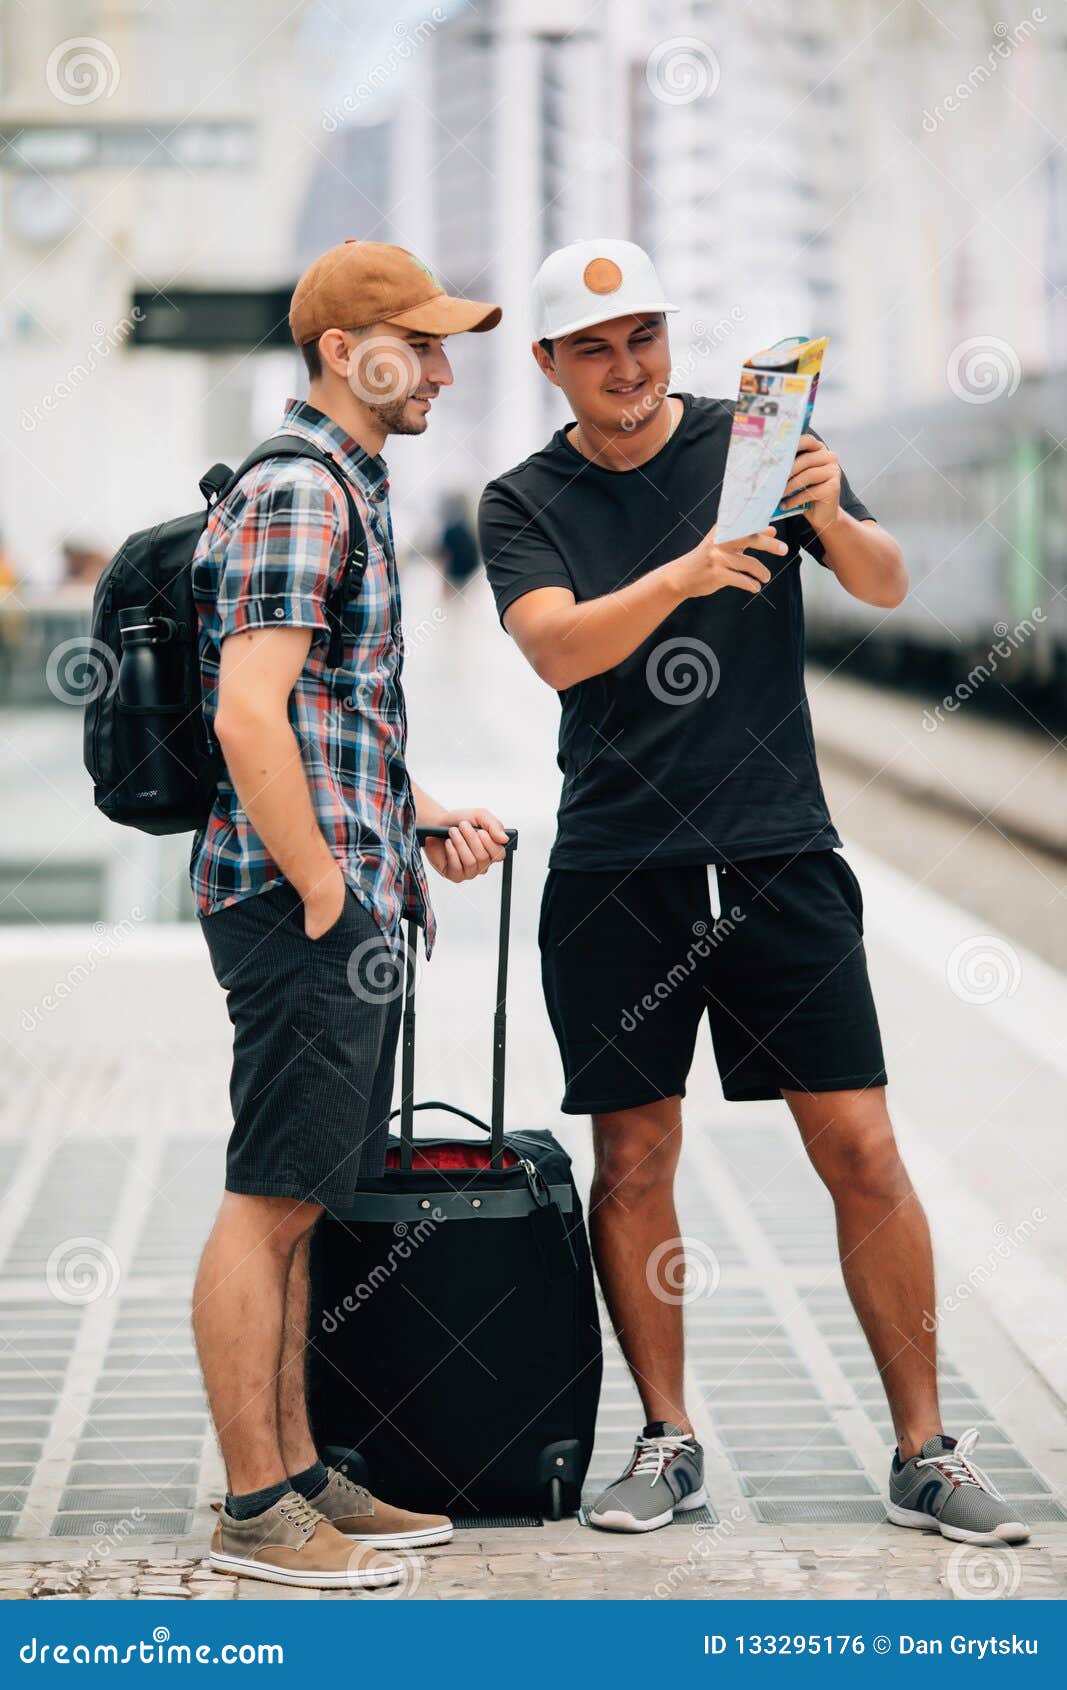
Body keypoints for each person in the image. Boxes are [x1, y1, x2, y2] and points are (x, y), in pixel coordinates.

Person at [478, 238, 1029, 1548]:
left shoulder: (756, 438)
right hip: (618, 863)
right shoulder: (522, 499)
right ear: (551, 364)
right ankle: (667, 1440)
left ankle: (926, 1448)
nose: (629, 366)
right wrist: (677, 578)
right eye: (598, 347)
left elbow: (892, 580)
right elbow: (557, 647)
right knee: (636, 1155)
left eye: (647, 337)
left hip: (779, 850)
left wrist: (830, 514)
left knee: (862, 1148)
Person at [191, 241, 509, 1589]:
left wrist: (414, 814)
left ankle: (302, 1472)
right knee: (266, 1206)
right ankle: (259, 1508)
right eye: (418, 342)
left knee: (302, 1203)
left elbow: (327, 717)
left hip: (342, 898)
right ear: (342, 349)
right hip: (300, 910)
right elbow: (246, 712)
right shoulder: (301, 490)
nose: (441, 366)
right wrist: (328, 885)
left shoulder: (344, 487)